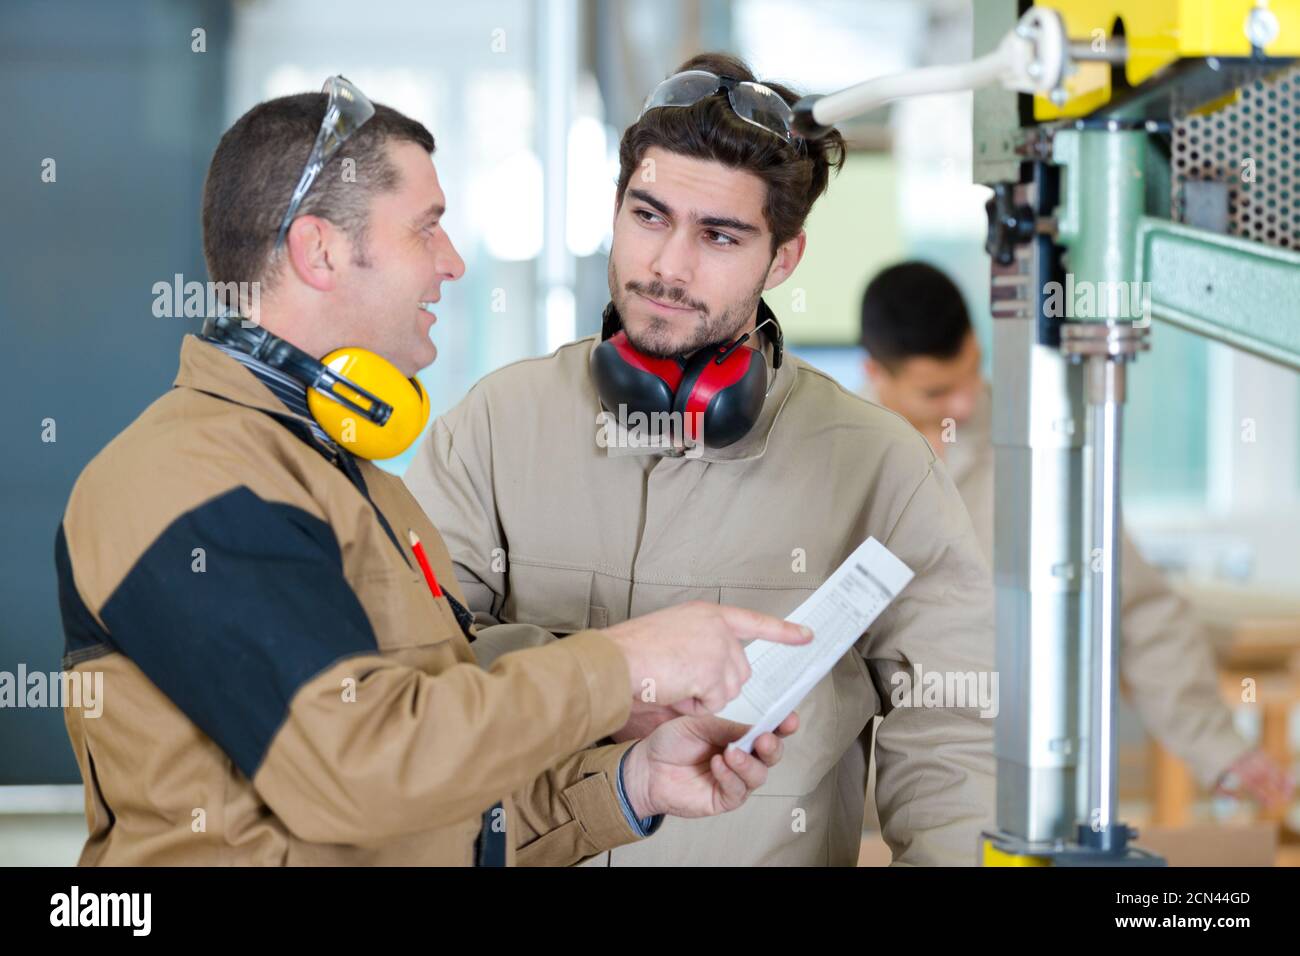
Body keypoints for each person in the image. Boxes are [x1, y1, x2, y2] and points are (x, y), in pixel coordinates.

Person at [52, 76, 811, 867]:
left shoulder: (356, 482)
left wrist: (631, 784)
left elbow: (430, 815)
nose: (451, 263)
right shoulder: (189, 476)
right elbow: (358, 770)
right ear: (321, 251)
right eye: (427, 230)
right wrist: (623, 667)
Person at [404, 54, 997, 867]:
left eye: (719, 236)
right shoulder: (494, 428)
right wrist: (609, 678)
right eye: (649, 217)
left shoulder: (880, 469)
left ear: (782, 260)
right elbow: (405, 686)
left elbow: (952, 750)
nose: (668, 267)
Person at [859, 260, 1295, 809]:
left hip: (1014, 774)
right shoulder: (840, 462)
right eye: (937, 392)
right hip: (875, 781)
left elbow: (1139, 607)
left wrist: (1217, 745)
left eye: (972, 371)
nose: (965, 404)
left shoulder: (1036, 441)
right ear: (876, 372)